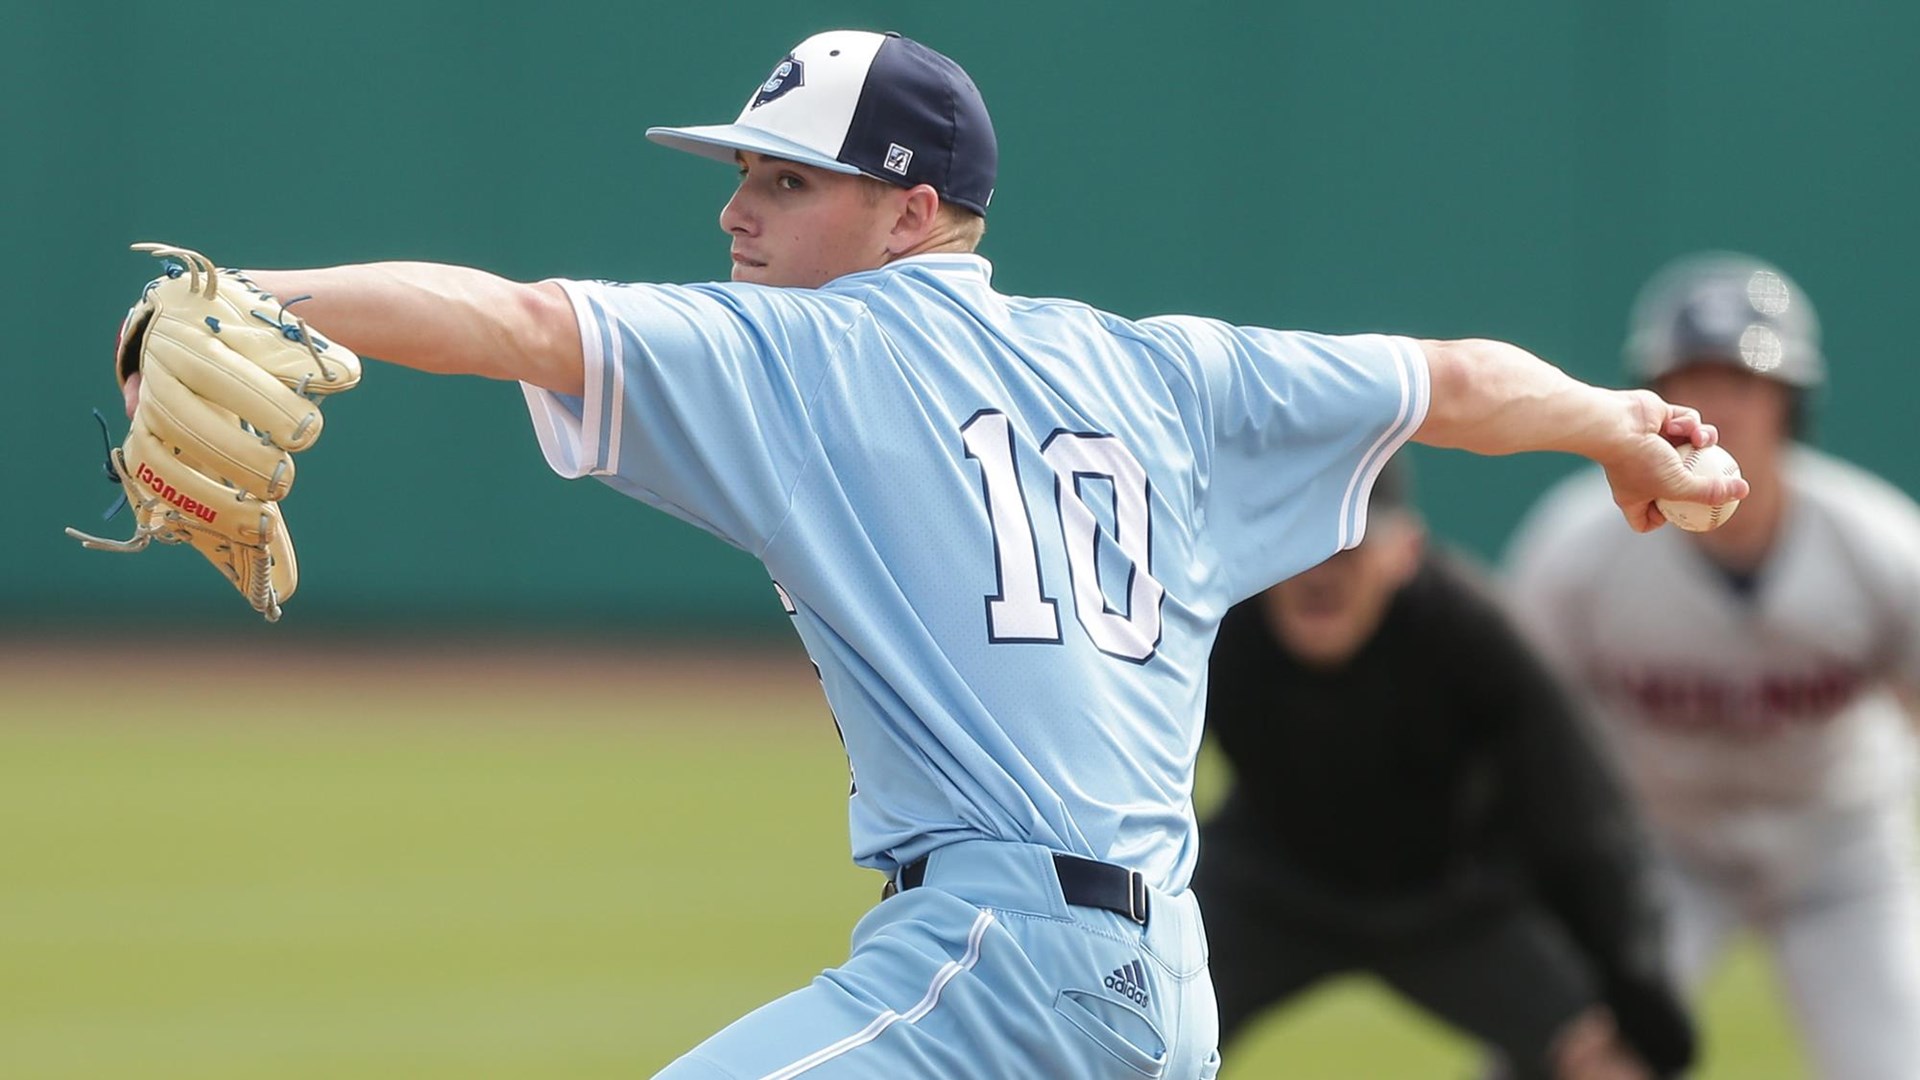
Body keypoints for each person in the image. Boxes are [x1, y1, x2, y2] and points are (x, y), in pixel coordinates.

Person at [117, 32, 1743, 1080]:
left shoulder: (809, 358)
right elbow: (1454, 379)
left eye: (783, 181)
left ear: (911, 214)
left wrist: (252, 292)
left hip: (997, 975)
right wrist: (1623, 423)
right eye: (738, 179)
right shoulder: (1158, 368)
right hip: (1158, 987)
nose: (737, 217)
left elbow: (525, 324)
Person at [1505, 253, 1920, 1080]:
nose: (1716, 412)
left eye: (1744, 385)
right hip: (1663, 851)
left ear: (1789, 407)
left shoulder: (1876, 544)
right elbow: (1520, 731)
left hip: (1838, 851)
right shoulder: (1577, 550)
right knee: (1562, 1057)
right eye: (1689, 386)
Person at [1194, 459, 1693, 1080]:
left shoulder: (1466, 630)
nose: (1319, 570)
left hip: (1445, 891)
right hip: (1269, 881)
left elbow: (1574, 811)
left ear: (1404, 551)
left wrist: (1631, 978)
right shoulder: (1209, 627)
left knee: (1609, 1063)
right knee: (1125, 1030)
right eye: (1299, 546)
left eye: (1347, 546)